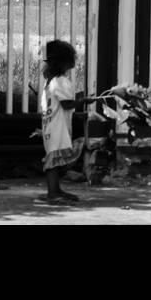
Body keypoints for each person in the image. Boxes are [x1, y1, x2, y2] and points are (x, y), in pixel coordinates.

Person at [38, 39, 91, 204]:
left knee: (53, 159)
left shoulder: (51, 82)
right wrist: (83, 101)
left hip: (50, 127)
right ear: (64, 61)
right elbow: (66, 104)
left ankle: (55, 190)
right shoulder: (61, 81)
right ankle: (53, 193)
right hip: (57, 128)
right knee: (53, 162)